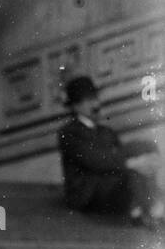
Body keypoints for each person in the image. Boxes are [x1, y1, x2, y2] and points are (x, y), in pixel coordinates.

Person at [58, 75, 163, 228]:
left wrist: (145, 158)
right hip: (86, 192)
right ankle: (148, 211)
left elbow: (118, 156)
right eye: (88, 100)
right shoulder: (69, 133)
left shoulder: (106, 132)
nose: (95, 104)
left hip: (108, 184)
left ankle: (147, 209)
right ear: (75, 106)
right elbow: (94, 160)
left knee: (143, 148)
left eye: (95, 98)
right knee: (132, 171)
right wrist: (132, 163)